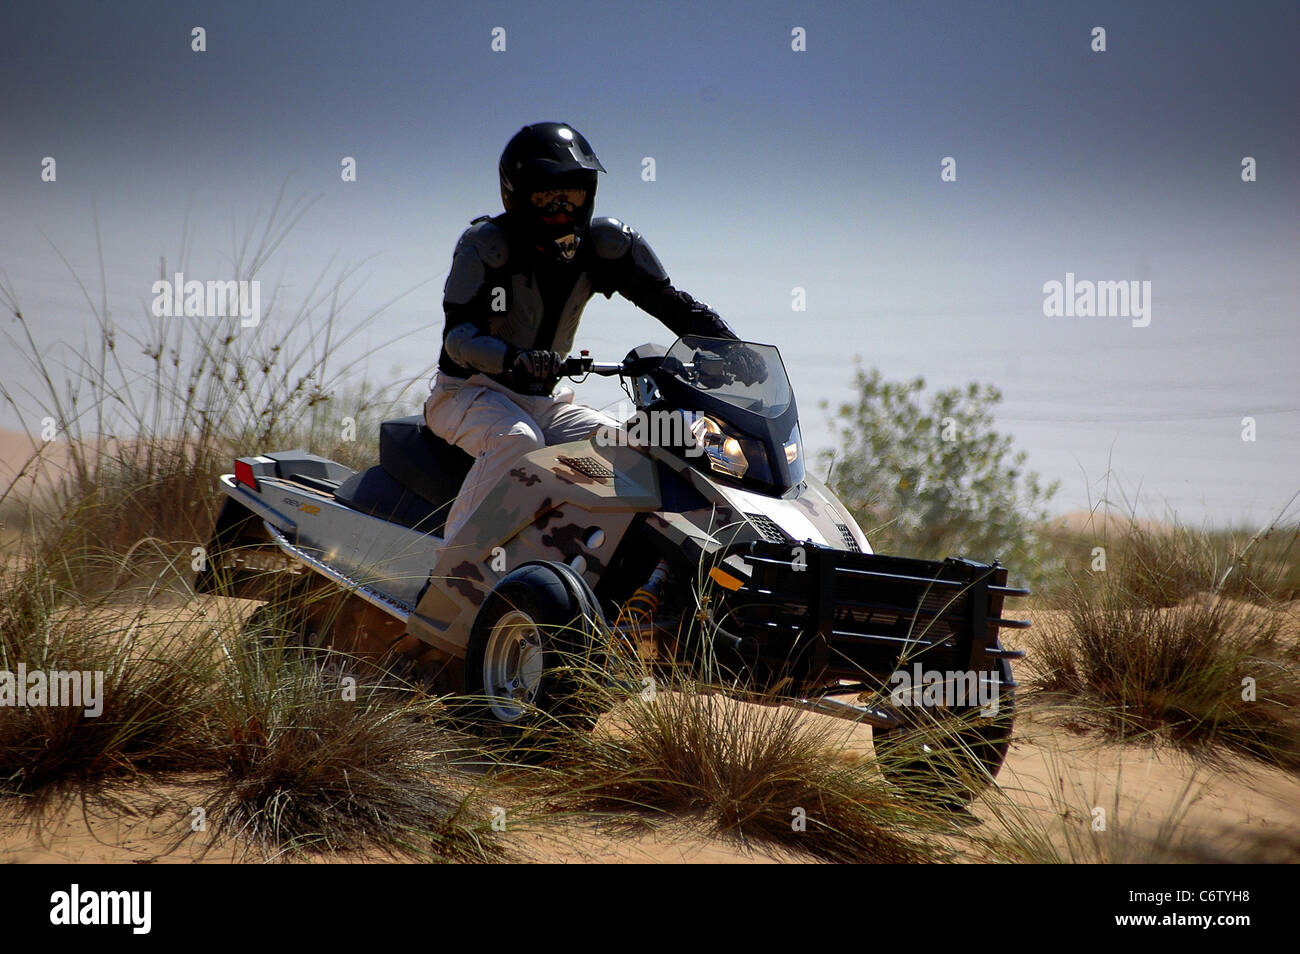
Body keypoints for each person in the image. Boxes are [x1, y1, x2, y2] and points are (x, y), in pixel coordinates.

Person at [424, 122, 763, 543]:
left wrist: (730, 346)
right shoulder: (486, 247)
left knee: (629, 448)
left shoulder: (603, 247)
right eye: (547, 196)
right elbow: (459, 339)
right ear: (517, 194)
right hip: (466, 393)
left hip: (543, 401)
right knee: (516, 440)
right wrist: (512, 359)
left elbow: (669, 302)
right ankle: (447, 577)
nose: (562, 208)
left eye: (574, 194)